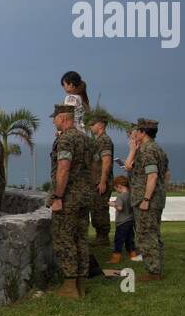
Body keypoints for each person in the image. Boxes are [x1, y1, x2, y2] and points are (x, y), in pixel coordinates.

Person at [48, 103, 94, 299]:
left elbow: (63, 168)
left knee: (64, 238)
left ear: (63, 118)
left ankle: (69, 286)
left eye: (55, 118)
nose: (53, 121)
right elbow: (92, 168)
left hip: (69, 197)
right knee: (81, 238)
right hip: (84, 196)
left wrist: (57, 196)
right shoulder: (85, 139)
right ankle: (80, 283)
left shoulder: (66, 139)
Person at [126, 118, 168, 280]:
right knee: (153, 234)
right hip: (155, 198)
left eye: (136, 132)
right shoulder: (155, 149)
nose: (133, 135)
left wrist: (146, 199)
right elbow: (129, 167)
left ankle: (154, 272)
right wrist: (132, 150)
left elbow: (153, 175)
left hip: (148, 201)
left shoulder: (148, 150)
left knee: (146, 235)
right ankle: (155, 268)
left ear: (143, 133)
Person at [87, 109, 115, 245]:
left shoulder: (104, 140)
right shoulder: (98, 140)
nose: (90, 127)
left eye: (93, 125)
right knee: (96, 209)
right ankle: (100, 236)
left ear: (101, 125)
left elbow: (107, 161)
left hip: (100, 181)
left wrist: (103, 181)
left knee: (100, 210)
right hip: (95, 181)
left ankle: (103, 237)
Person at [108, 175, 135, 264]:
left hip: (122, 222)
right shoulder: (130, 194)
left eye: (116, 188)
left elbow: (119, 207)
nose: (116, 191)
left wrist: (113, 204)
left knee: (119, 240)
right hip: (130, 220)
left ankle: (116, 257)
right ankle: (133, 254)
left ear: (119, 186)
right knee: (130, 239)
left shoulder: (120, 196)